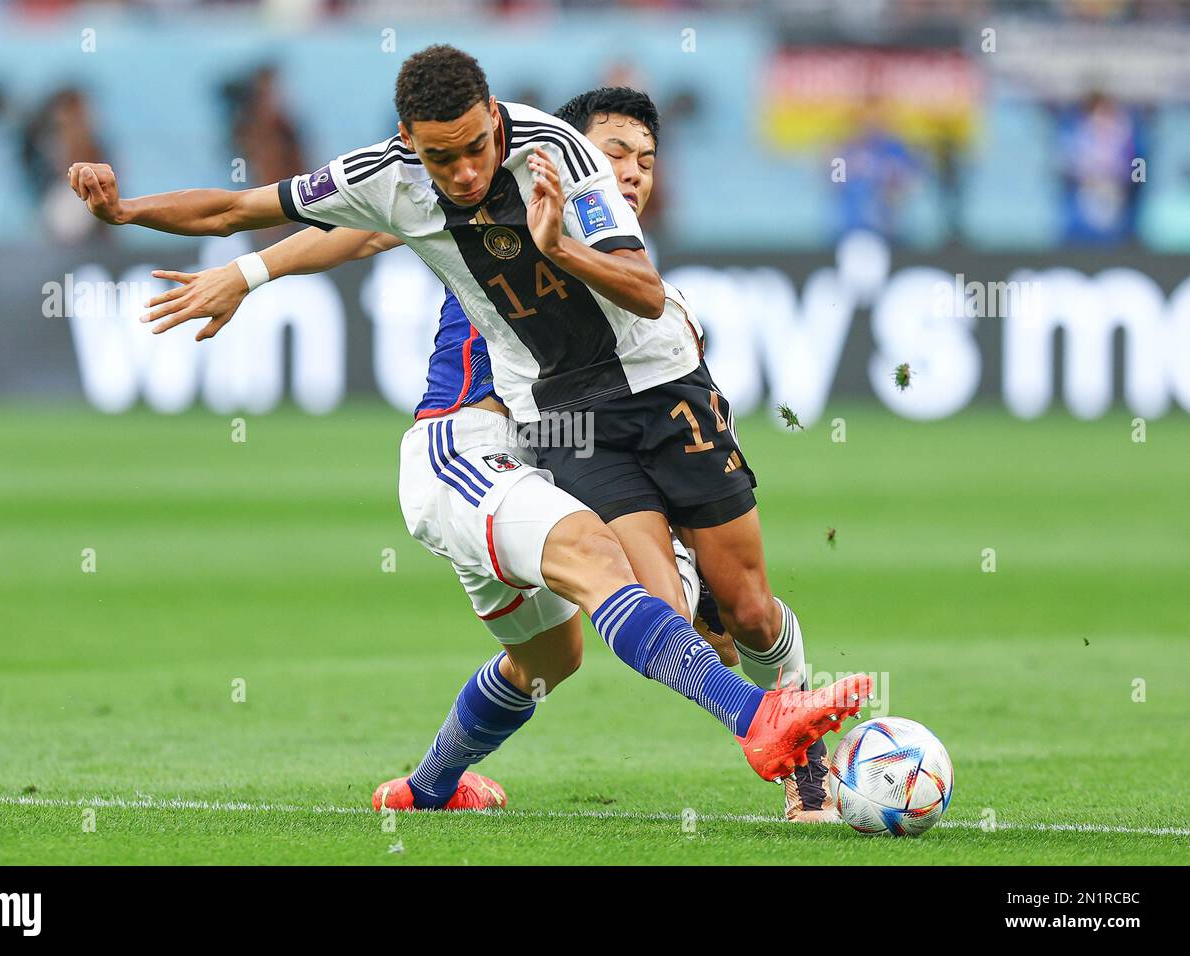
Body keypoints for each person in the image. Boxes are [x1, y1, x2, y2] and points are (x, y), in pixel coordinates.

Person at [67, 48, 870, 813]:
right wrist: (164, 230)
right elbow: (327, 217)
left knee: (554, 657)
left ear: (501, 123)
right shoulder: (431, 215)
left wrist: (246, 269)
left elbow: (645, 296)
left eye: (646, 160)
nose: (466, 173)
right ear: (413, 146)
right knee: (629, 582)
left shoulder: (562, 188)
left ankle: (429, 787)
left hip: (562, 443)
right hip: (475, 450)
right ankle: (767, 724)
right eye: (615, 152)